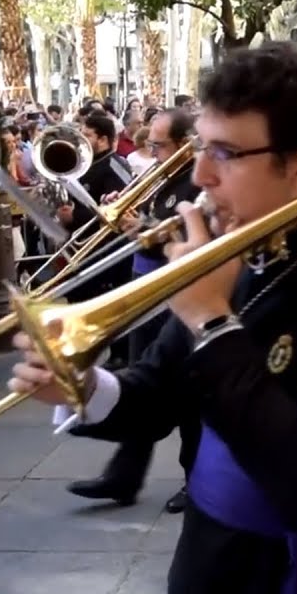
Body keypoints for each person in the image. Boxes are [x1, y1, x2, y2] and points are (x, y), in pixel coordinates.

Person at [9, 44, 297, 594]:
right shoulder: (231, 244)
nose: (201, 175)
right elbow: (157, 393)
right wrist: (83, 384)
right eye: (202, 147)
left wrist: (210, 319)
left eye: (225, 153)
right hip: (206, 560)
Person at [66, 107, 201, 512]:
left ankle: (195, 479)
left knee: (189, 389)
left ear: (183, 144)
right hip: (145, 288)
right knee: (146, 376)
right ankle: (123, 475)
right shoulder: (162, 178)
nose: (152, 151)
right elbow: (156, 223)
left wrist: (142, 230)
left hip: (175, 293)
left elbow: (184, 243)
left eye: (159, 144)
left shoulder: (195, 182)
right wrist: (132, 219)